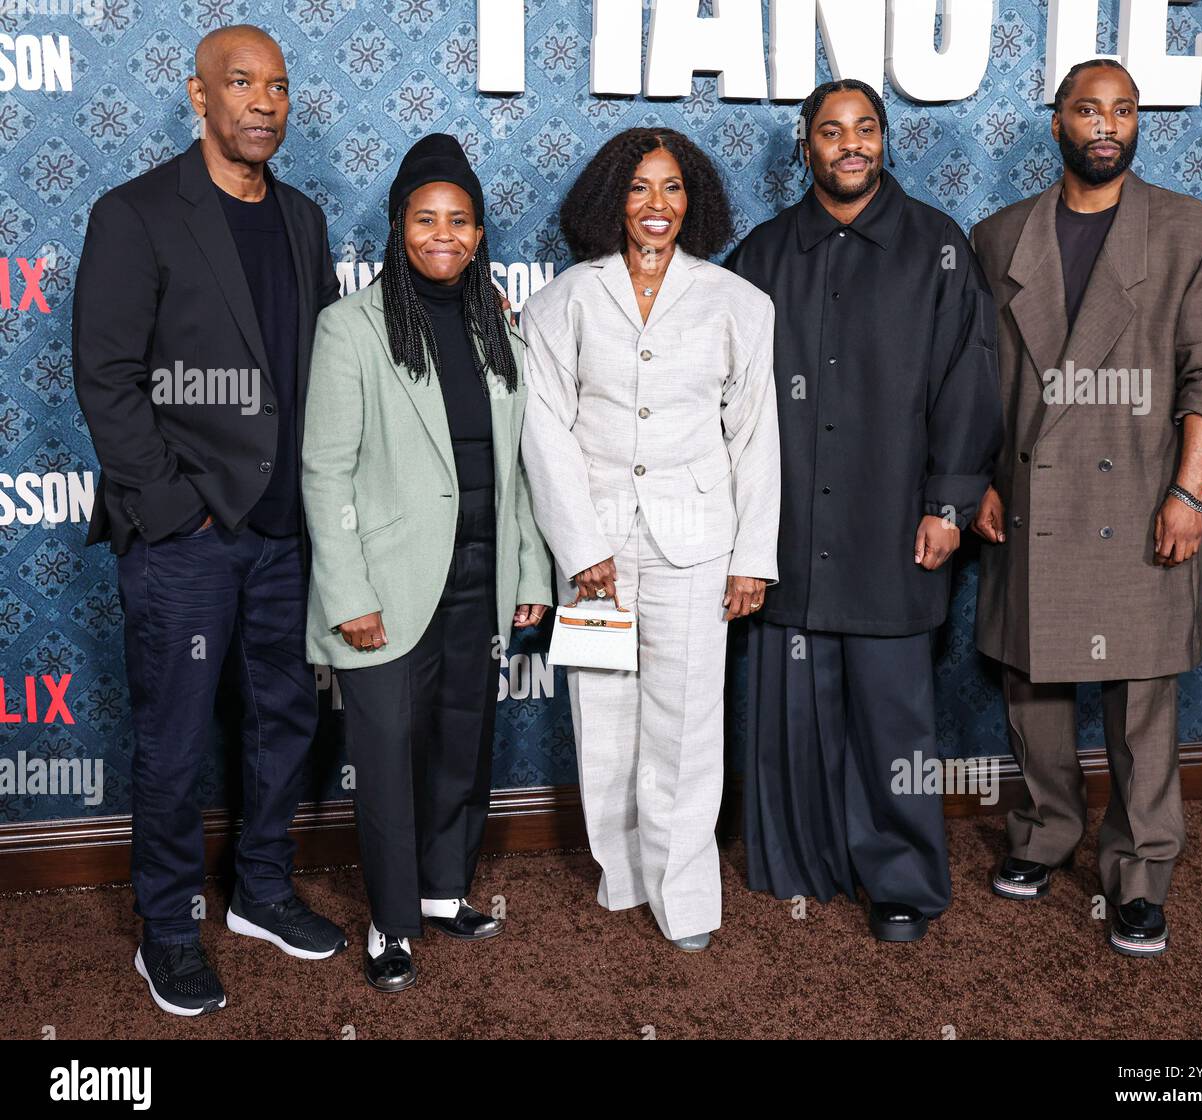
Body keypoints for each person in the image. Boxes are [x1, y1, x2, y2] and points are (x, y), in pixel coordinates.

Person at [72, 25, 345, 1017]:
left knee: (284, 718)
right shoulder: (137, 213)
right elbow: (107, 375)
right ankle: (168, 929)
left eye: (277, 85)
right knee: (178, 739)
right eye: (241, 83)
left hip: (284, 532)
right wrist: (175, 506)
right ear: (198, 95)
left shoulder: (304, 221)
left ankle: (263, 890)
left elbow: (325, 363)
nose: (264, 102)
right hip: (187, 538)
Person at [970, 60, 1202, 957]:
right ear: (1057, 122)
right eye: (1088, 109)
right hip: (1030, 500)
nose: (1106, 125)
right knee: (1034, 685)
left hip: (1140, 498)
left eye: (1123, 110)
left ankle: (1138, 874)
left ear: (1136, 125)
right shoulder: (999, 235)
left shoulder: (1193, 233)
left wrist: (1188, 490)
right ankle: (1045, 835)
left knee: (1141, 705)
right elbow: (975, 385)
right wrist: (981, 479)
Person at [726, 80, 1002, 942]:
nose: (852, 145)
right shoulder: (762, 255)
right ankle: (801, 859)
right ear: (803, 144)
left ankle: (902, 882)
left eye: (867, 130)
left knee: (893, 716)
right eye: (832, 132)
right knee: (795, 708)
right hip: (788, 531)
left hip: (894, 523)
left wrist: (950, 504)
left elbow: (968, 382)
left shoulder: (939, 248)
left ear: (884, 141)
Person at [302, 134, 552, 992]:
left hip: (481, 575)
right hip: (386, 582)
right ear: (398, 227)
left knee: (461, 742)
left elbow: (518, 467)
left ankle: (446, 891)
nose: (441, 234)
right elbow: (325, 470)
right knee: (388, 753)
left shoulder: (499, 331)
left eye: (459, 221)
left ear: (480, 236)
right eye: (424, 218)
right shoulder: (351, 329)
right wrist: (346, 590)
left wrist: (531, 576)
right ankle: (391, 922)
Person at [520, 128, 780, 952]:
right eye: (639, 188)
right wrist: (578, 544)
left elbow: (755, 437)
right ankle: (623, 872)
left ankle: (686, 894)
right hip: (595, 550)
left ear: (692, 200)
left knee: (686, 724)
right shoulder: (561, 301)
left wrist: (752, 555)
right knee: (604, 715)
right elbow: (544, 430)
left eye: (671, 188)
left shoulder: (737, 302)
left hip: (696, 545)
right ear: (611, 200)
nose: (656, 205)